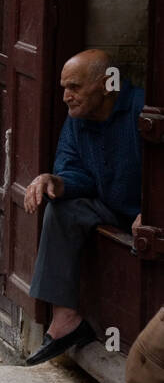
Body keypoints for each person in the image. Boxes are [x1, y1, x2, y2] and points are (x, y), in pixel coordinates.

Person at [22, 49, 144, 366]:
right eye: (65, 88)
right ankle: (66, 320)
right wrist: (57, 182)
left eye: (74, 87)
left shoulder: (142, 111)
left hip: (147, 218)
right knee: (61, 209)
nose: (66, 97)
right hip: (110, 209)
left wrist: (157, 210)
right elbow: (75, 170)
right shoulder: (79, 118)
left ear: (107, 84)